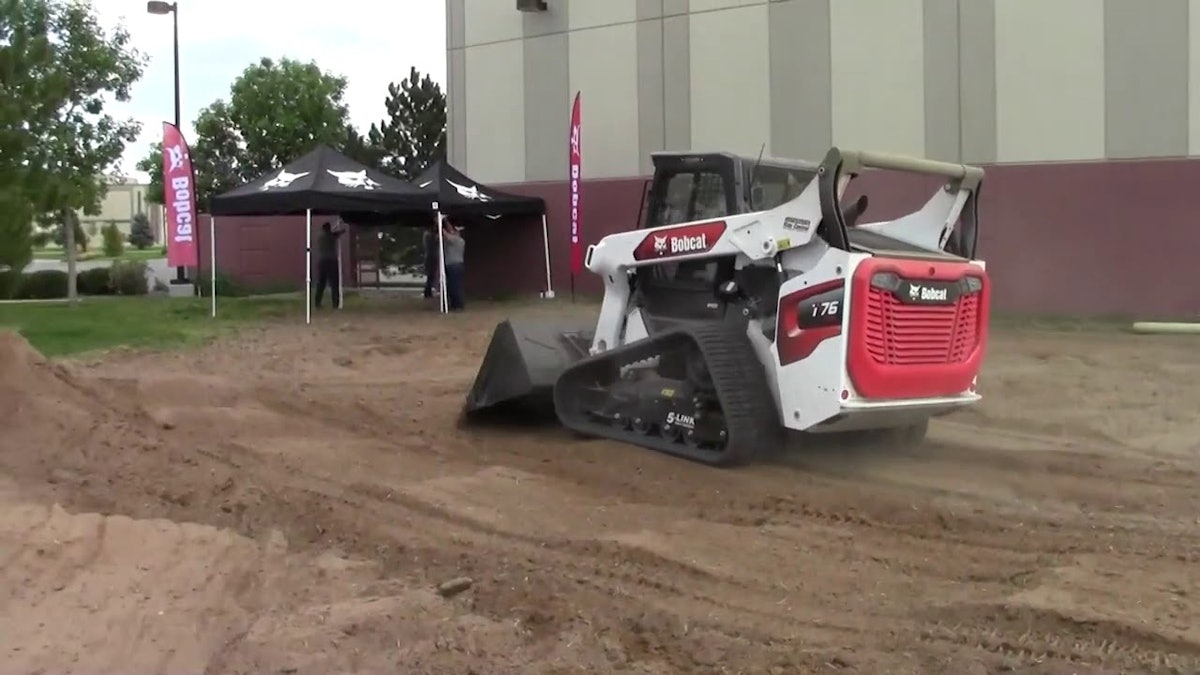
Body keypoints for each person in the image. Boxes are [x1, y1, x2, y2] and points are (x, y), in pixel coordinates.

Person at [314, 220, 346, 309]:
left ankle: (317, 303)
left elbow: (334, 233)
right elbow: (339, 232)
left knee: (321, 283)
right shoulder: (331, 236)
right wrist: (342, 228)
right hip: (331, 261)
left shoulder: (320, 237)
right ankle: (335, 304)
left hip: (322, 261)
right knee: (334, 283)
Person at [441, 219, 466, 311]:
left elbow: (446, 235)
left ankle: (458, 305)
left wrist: (440, 224)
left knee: (456, 286)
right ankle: (454, 304)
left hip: (455, 266)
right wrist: (445, 221)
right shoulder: (455, 240)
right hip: (452, 265)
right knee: (451, 286)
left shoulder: (457, 240)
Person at [422, 221, 439, 300]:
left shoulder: (426, 234)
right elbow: (435, 241)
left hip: (429, 255)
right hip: (431, 256)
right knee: (431, 275)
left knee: (431, 275)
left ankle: (428, 291)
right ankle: (427, 292)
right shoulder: (429, 235)